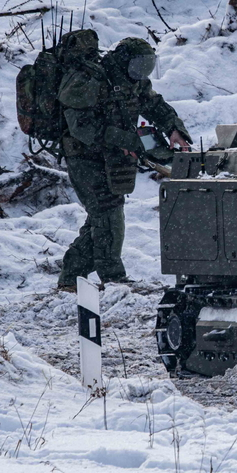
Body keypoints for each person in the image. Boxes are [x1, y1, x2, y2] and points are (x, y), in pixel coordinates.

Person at [56, 34, 191, 291]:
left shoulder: (132, 81)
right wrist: (127, 140)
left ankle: (71, 276)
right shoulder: (89, 80)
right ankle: (113, 278)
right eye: (138, 66)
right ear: (122, 61)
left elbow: (154, 104)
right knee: (107, 213)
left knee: (103, 215)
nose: (141, 73)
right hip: (83, 156)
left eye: (147, 67)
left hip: (112, 153)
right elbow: (81, 128)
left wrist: (175, 129)